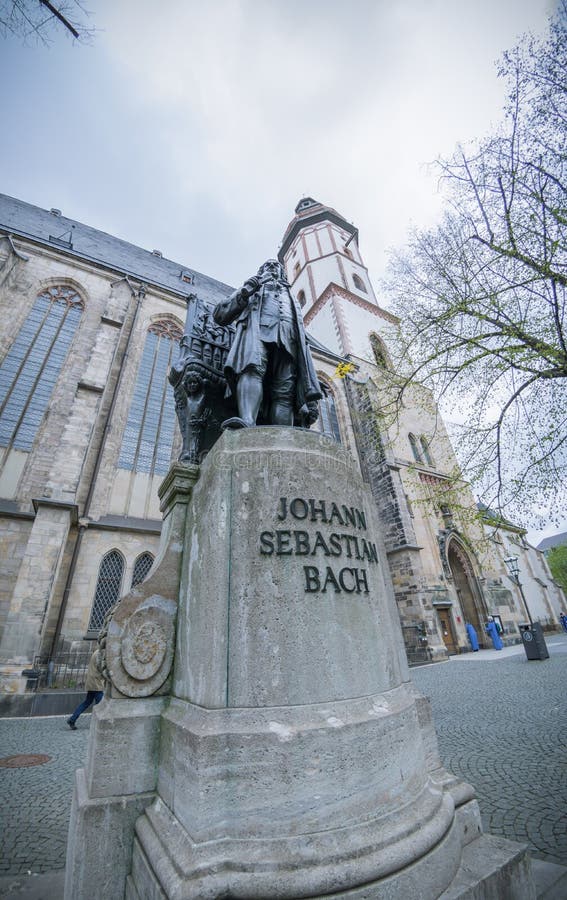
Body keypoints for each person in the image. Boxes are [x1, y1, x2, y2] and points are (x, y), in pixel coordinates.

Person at [213, 259, 322, 428]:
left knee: (285, 391)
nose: (271, 267)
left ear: (282, 273)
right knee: (252, 369)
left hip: (289, 338)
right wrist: (245, 291)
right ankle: (247, 421)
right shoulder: (252, 290)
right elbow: (220, 314)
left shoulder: (292, 296)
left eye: (275, 265)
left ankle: (284, 435)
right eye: (267, 265)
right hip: (257, 331)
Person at [67, 649, 104, 730]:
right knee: (100, 706)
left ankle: (72, 719)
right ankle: (99, 723)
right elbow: (101, 668)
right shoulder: (100, 653)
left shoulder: (97, 652)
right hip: (97, 684)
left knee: (87, 702)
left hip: (92, 682)